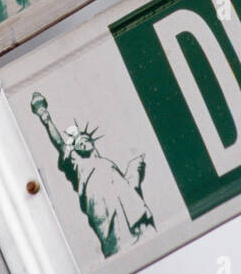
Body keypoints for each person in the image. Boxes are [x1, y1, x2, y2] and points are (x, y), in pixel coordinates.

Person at [30, 91, 155, 258]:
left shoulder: (106, 163)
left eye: (86, 139)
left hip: (123, 200)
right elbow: (60, 143)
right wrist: (46, 119)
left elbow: (130, 186)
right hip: (97, 199)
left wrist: (135, 168)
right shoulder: (77, 164)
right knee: (115, 239)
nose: (83, 142)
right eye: (78, 142)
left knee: (139, 231)